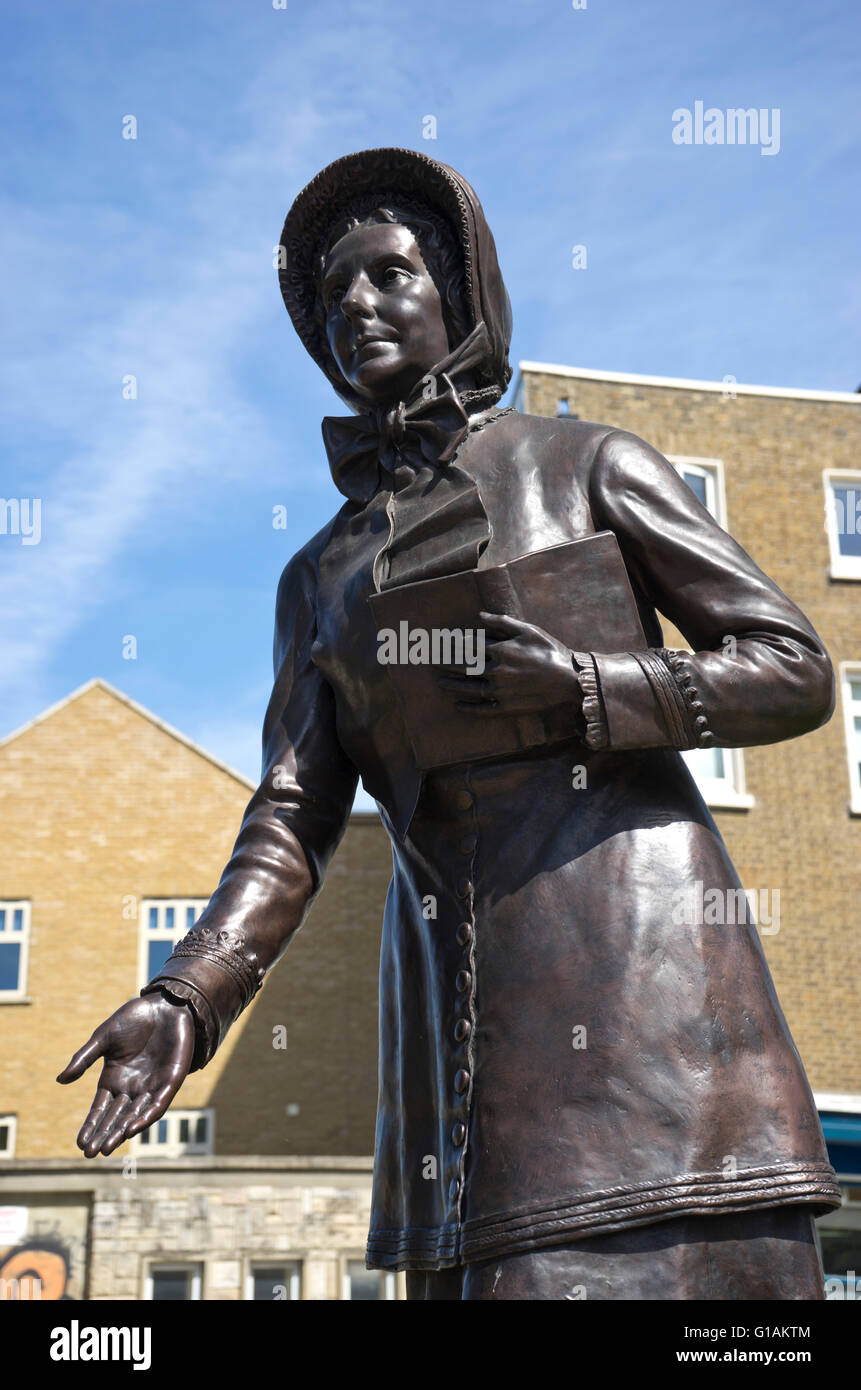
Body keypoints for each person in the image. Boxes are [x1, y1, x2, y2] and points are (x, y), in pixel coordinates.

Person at [59, 148, 841, 1300]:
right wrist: (191, 992)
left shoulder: (587, 465)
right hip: (457, 1023)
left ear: (463, 293)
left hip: (646, 976)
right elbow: (290, 816)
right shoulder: (319, 575)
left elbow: (795, 667)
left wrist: (588, 689)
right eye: (332, 298)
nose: (356, 309)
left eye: (386, 275)